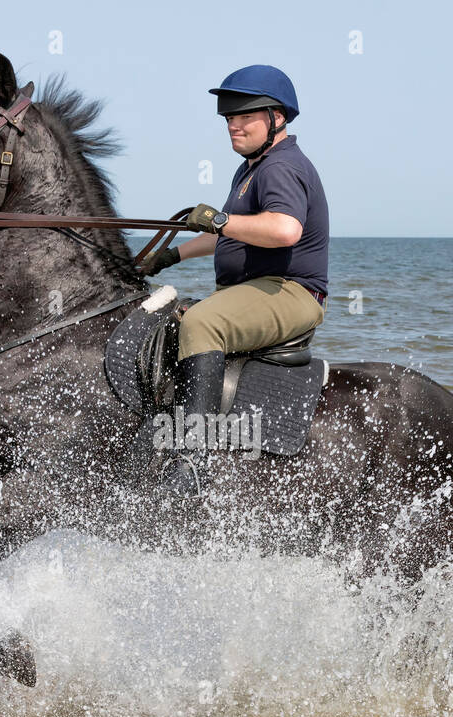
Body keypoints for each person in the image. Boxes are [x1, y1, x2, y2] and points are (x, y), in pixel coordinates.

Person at [138, 64, 330, 498]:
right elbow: (231, 233)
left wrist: (222, 221)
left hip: (289, 292)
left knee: (201, 324)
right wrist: (167, 256)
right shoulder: (249, 169)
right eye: (229, 118)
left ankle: (191, 463)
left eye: (245, 116)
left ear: (277, 118)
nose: (233, 125)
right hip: (250, 291)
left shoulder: (281, 166)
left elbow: (284, 230)